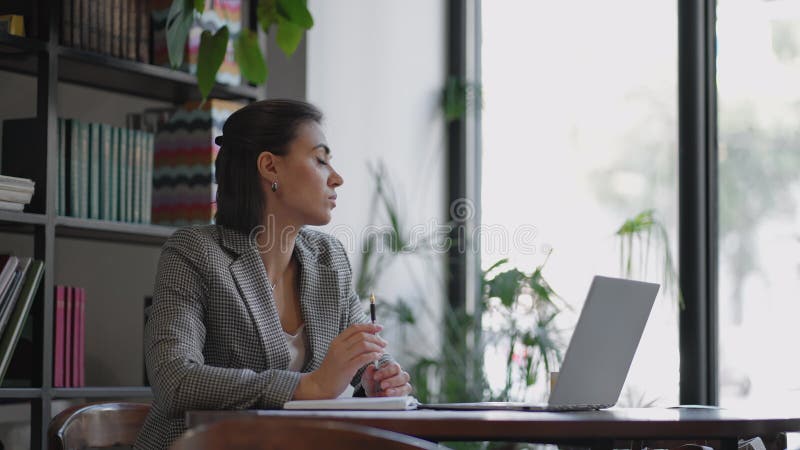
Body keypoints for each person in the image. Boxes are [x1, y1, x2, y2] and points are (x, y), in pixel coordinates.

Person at [134, 99, 413, 450]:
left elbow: (361, 355)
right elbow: (174, 380)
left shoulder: (329, 258)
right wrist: (306, 387)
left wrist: (380, 377)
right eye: (321, 159)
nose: (337, 178)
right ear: (269, 166)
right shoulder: (194, 253)